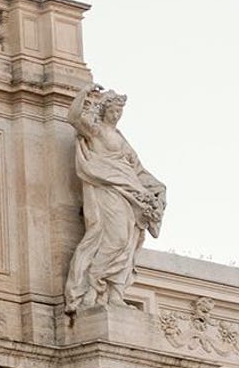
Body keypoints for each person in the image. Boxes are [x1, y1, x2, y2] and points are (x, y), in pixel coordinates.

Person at [63, 82, 165, 313]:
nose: (117, 115)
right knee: (116, 238)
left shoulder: (120, 137)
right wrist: (83, 93)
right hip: (108, 188)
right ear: (104, 109)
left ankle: (114, 293)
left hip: (130, 192)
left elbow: (137, 169)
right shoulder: (96, 131)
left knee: (130, 240)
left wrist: (158, 188)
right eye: (113, 110)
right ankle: (92, 286)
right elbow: (75, 118)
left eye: (120, 111)